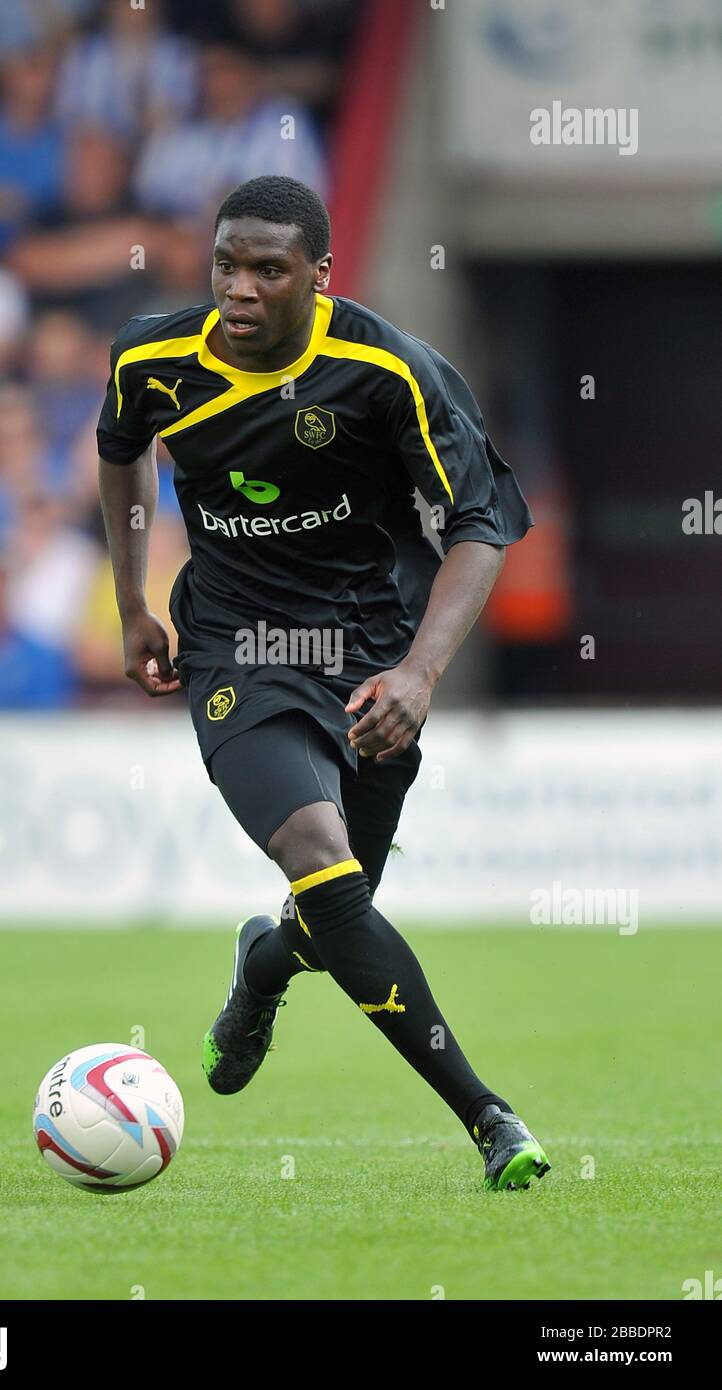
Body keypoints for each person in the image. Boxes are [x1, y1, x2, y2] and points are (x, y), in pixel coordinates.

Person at [96, 175, 551, 1192]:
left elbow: (479, 524)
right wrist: (132, 601)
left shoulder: (387, 370)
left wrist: (419, 673)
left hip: (363, 657)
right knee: (320, 859)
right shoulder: (153, 355)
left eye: (269, 269)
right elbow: (119, 446)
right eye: (226, 264)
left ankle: (262, 967)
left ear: (319, 275)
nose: (241, 289)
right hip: (233, 647)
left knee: (332, 915)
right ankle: (488, 1118)